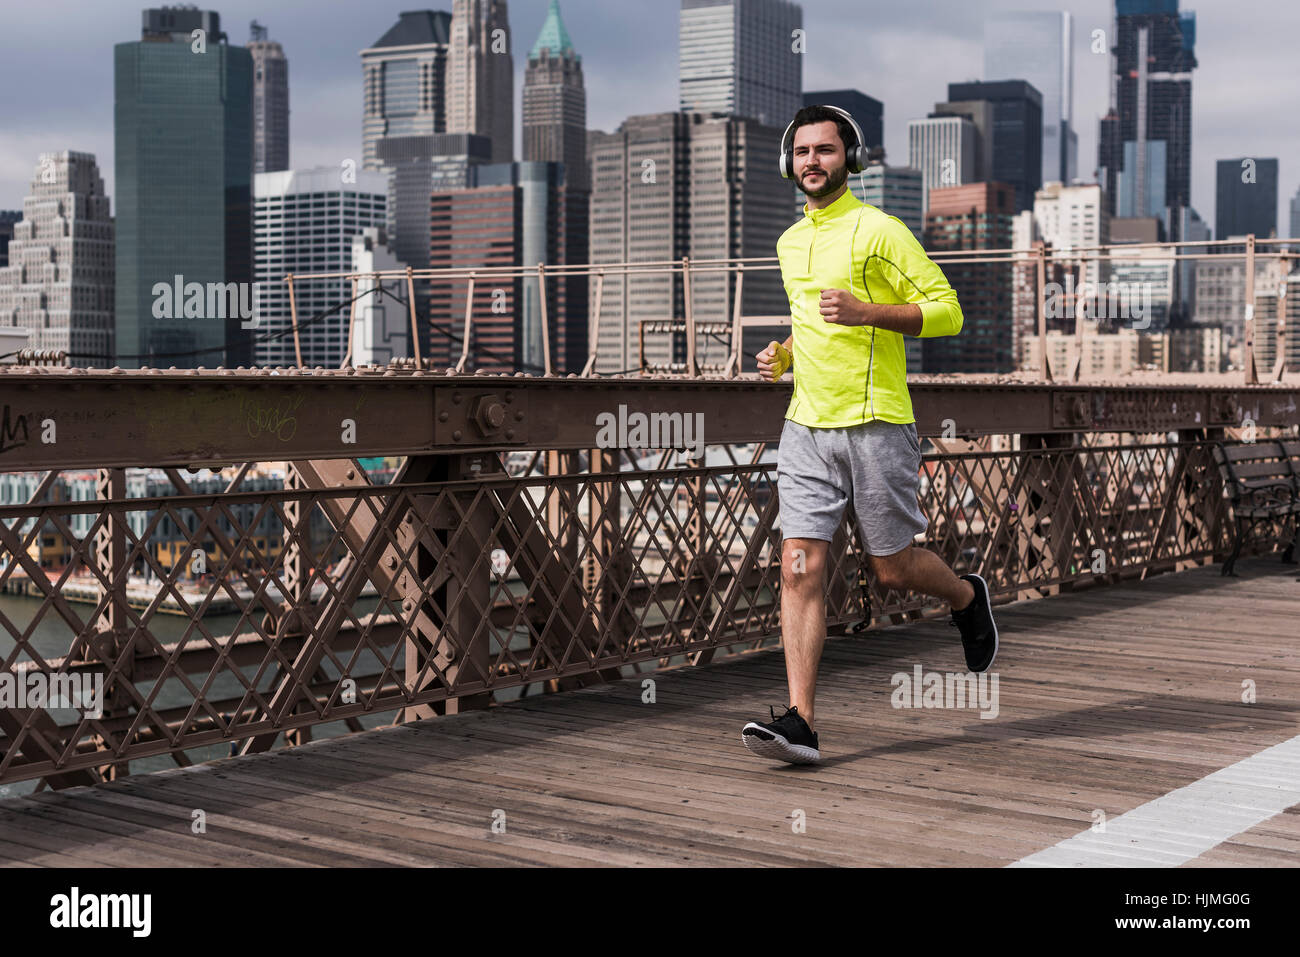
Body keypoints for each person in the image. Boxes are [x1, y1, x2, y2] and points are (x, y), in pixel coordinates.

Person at [740, 105, 999, 766]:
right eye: (802, 151)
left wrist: (867, 312)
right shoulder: (789, 243)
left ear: (849, 159)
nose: (812, 162)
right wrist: (785, 355)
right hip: (806, 425)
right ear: (789, 162)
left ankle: (966, 596)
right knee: (798, 565)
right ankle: (801, 722)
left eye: (825, 150)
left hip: (876, 422)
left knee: (892, 568)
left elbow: (949, 312)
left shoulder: (880, 230)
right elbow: (811, 323)